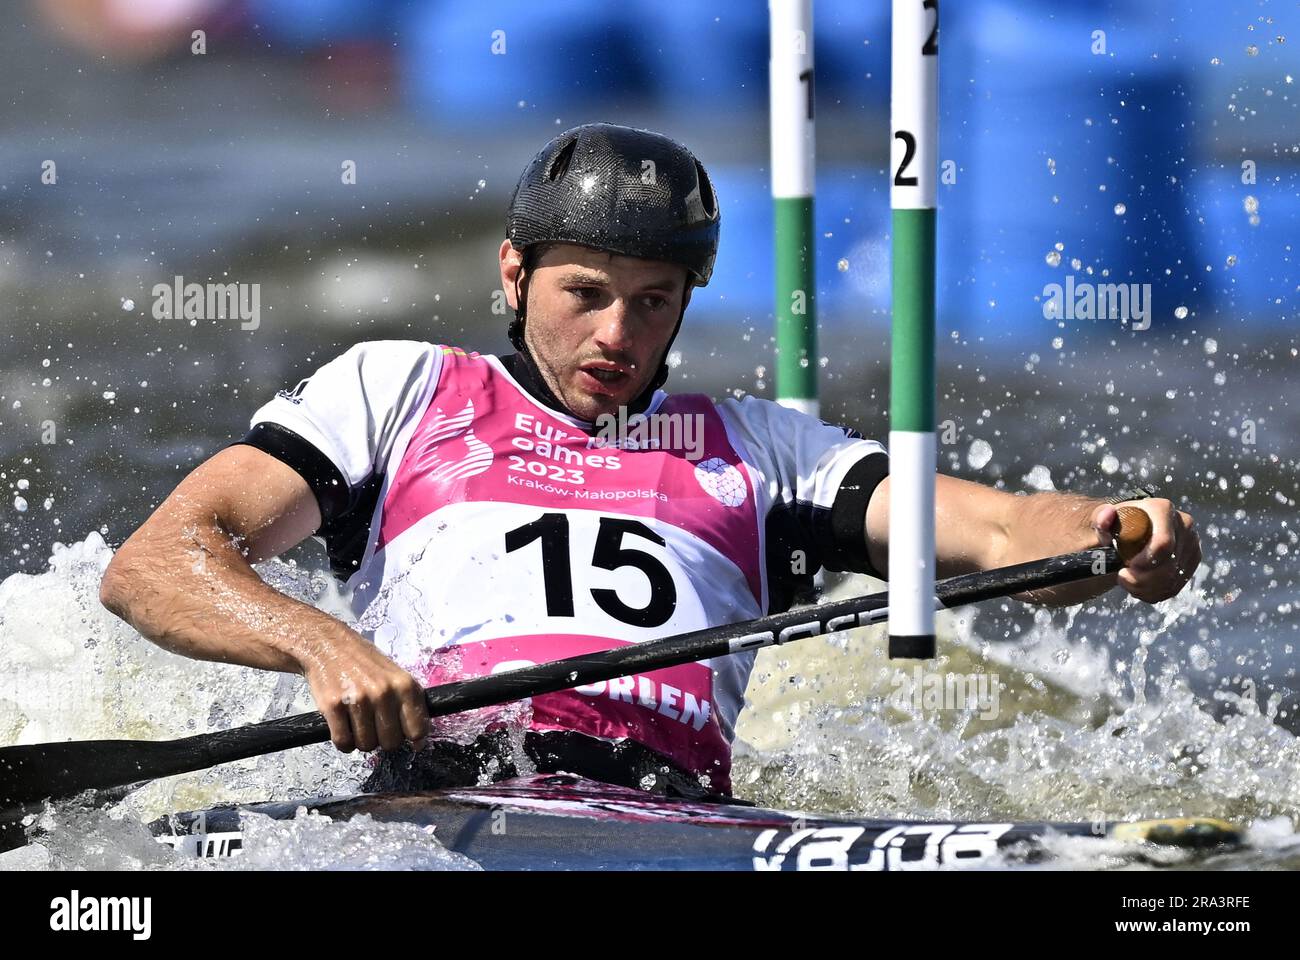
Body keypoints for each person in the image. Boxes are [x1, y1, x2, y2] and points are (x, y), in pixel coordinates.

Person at [98, 122, 1201, 799]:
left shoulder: (770, 450)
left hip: (675, 813)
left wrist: (1116, 533)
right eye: (585, 293)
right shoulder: (400, 389)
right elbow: (158, 561)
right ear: (514, 272)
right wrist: (322, 648)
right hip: (435, 797)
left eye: (653, 302)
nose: (617, 335)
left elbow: (1008, 537)